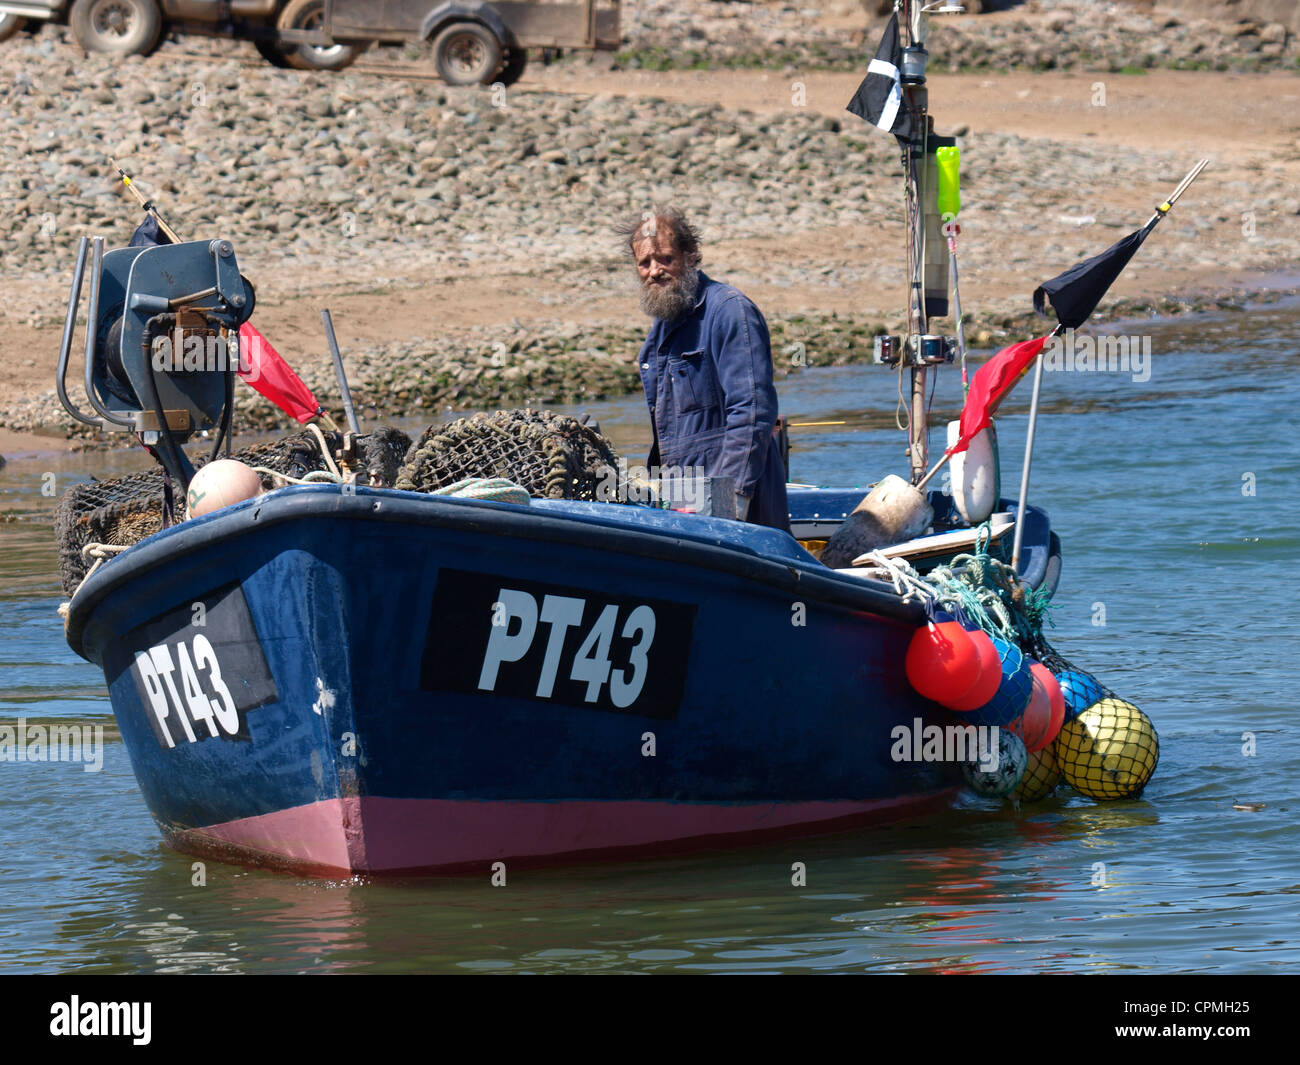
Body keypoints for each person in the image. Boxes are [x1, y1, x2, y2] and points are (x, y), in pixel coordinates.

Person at [620, 207, 789, 531]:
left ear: (691, 256)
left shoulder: (730, 312)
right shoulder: (660, 333)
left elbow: (752, 411)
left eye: (665, 258)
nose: (654, 271)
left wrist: (732, 500)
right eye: (644, 263)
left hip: (741, 514)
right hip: (686, 505)